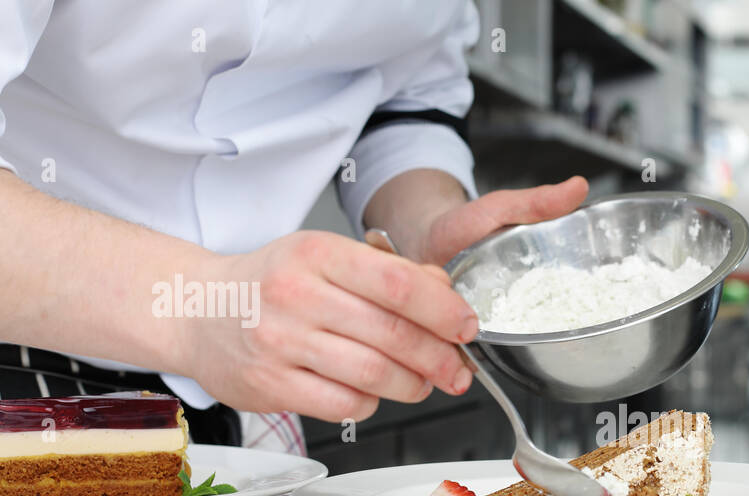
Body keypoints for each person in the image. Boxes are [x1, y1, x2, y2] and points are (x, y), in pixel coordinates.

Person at [0, 1, 587, 452]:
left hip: (254, 380)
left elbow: (405, 97)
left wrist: (427, 222)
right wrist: (198, 311)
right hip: (29, 344)